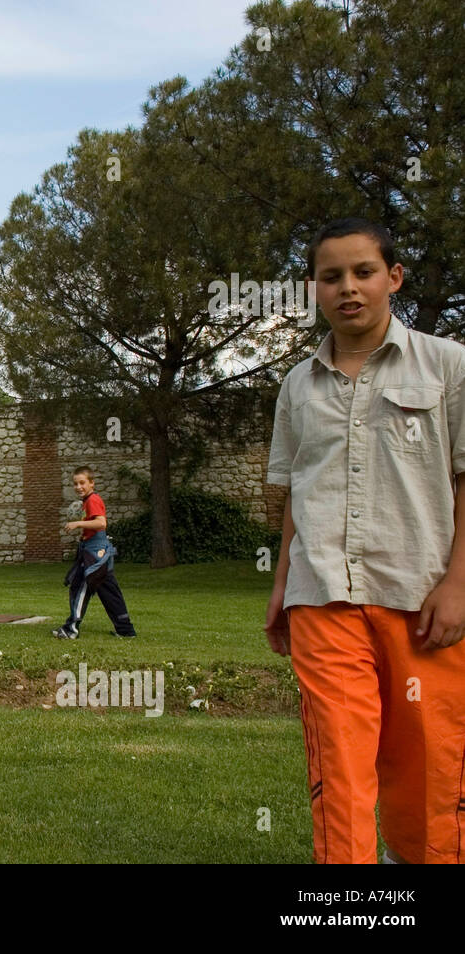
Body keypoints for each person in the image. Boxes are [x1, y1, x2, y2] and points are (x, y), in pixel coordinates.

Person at [264, 217, 465, 864]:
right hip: (322, 596)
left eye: (363, 272)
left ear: (393, 278)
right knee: (340, 766)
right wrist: (282, 586)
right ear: (314, 289)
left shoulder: (449, 364)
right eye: (331, 276)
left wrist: (459, 584)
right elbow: (296, 491)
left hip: (421, 597)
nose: (348, 287)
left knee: (430, 770)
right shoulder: (297, 385)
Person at [51, 466, 137, 640]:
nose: (78, 487)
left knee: (79, 588)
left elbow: (101, 523)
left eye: (82, 483)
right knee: (109, 592)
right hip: (100, 553)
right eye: (75, 484)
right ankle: (125, 630)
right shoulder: (87, 501)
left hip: (94, 556)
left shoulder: (92, 500)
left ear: (92, 483)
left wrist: (77, 524)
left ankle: (71, 630)